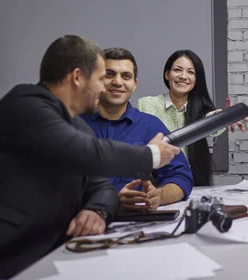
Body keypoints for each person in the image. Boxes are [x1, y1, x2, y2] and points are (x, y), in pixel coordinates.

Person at [0, 36, 181, 279]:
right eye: (100, 79)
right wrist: (152, 154)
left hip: (53, 253)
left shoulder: (75, 126)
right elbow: (89, 153)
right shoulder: (26, 104)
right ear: (77, 77)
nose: (104, 88)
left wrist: (97, 210)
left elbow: (101, 185)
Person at [81, 48, 193, 212]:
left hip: (137, 224)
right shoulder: (75, 124)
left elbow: (181, 176)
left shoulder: (150, 126)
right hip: (85, 222)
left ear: (134, 85)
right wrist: (112, 200)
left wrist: (158, 196)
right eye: (110, 74)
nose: (118, 82)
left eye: (126, 76)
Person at [138, 50, 248, 186]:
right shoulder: (147, 104)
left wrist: (223, 118)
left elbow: (211, 123)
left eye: (190, 72)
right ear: (167, 74)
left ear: (197, 79)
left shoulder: (201, 110)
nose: (183, 76)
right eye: (177, 70)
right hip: (155, 181)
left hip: (190, 182)